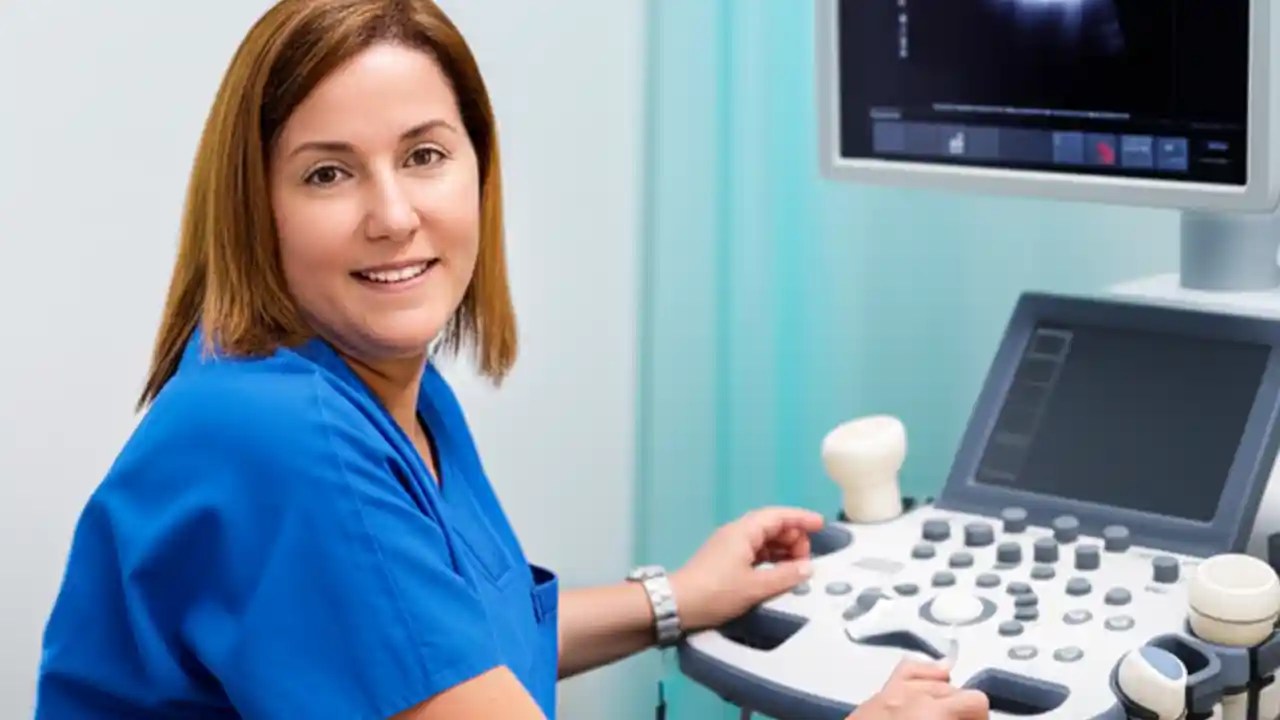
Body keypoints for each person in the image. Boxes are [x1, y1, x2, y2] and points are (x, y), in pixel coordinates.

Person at [34, 1, 990, 718]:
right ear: (256, 206)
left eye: (423, 155)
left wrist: (675, 600)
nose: (394, 215)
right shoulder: (283, 439)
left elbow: (445, 647)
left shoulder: (380, 386)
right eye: (328, 173)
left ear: (479, 169)